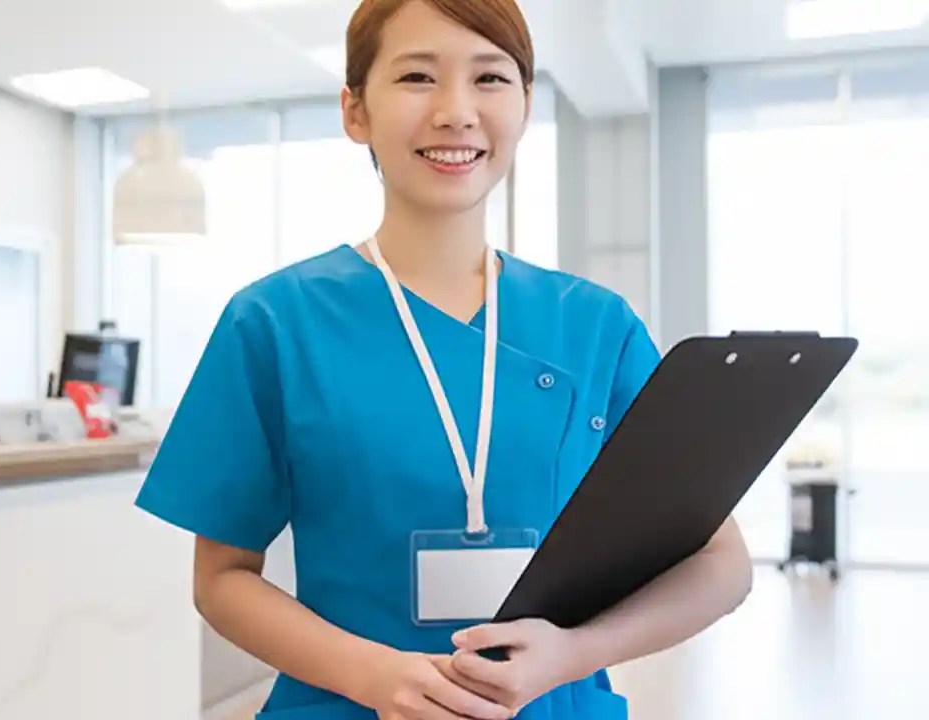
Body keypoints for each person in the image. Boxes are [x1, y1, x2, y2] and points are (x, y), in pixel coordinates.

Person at [134, 0, 754, 717]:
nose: (457, 112)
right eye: (417, 77)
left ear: (524, 105)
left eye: (490, 79)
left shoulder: (594, 326)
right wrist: (372, 676)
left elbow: (722, 562)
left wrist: (574, 654)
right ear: (355, 110)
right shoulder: (273, 323)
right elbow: (221, 577)